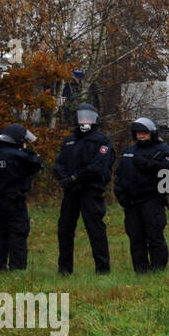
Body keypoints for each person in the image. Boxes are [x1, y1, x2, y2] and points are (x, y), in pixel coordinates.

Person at [52, 103, 116, 275]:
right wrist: (64, 178)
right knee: (64, 229)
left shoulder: (101, 140)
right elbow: (59, 164)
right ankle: (64, 269)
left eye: (87, 118)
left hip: (90, 190)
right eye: (81, 118)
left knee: (95, 229)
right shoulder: (69, 141)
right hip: (71, 192)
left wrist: (76, 177)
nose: (84, 121)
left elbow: (99, 166)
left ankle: (102, 268)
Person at [113, 117, 169, 273]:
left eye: (144, 133)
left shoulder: (163, 150)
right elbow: (120, 175)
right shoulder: (129, 152)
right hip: (131, 202)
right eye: (138, 133)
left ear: (152, 133)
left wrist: (151, 165)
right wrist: (120, 194)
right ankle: (141, 270)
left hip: (152, 200)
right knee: (135, 237)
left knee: (154, 235)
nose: (141, 136)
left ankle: (158, 270)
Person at [0, 124, 42, 271]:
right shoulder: (19, 156)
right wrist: (27, 151)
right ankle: (17, 268)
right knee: (18, 232)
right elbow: (36, 164)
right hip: (15, 200)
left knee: (2, 232)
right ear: (18, 139)